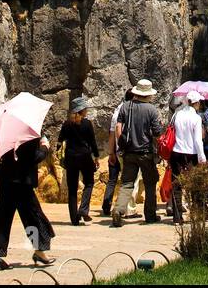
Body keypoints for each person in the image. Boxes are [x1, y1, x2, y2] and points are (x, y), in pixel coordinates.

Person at [0, 133, 56, 269]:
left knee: (3, 218)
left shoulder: (7, 133)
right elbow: (35, 157)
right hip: (22, 183)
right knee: (33, 217)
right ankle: (39, 250)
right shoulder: (28, 135)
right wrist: (44, 147)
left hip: (6, 181)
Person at [111, 79, 163, 227]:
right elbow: (157, 133)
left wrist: (121, 145)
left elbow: (118, 127)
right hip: (146, 152)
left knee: (127, 183)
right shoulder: (152, 110)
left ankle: (118, 210)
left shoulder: (126, 107)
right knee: (150, 183)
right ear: (148, 94)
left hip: (128, 152)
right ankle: (150, 215)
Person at [57, 95, 99, 226]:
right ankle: (83, 209)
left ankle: (74, 220)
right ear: (82, 110)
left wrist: (59, 152)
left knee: (72, 188)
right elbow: (92, 142)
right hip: (85, 156)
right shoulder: (86, 124)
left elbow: (59, 142)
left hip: (70, 157)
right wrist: (96, 157)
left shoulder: (66, 124)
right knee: (89, 182)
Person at [168, 91, 207, 225]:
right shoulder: (196, 118)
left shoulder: (176, 115)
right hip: (191, 154)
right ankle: (199, 213)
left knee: (177, 184)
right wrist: (202, 158)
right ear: (195, 103)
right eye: (199, 102)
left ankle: (177, 216)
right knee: (195, 184)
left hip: (176, 152)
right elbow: (198, 141)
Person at [100, 87, 134, 217]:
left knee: (112, 180)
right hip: (125, 150)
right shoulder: (128, 110)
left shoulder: (116, 111)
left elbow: (111, 133)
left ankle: (106, 205)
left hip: (115, 150)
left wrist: (111, 152)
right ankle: (124, 208)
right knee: (128, 181)